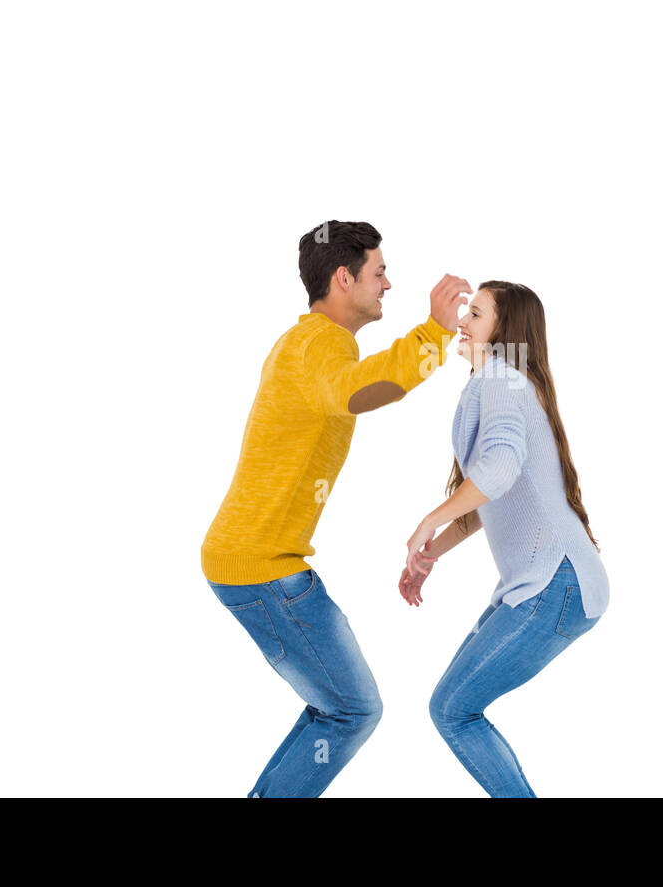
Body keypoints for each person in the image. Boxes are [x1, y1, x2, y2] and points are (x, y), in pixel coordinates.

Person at [202, 219, 468, 797]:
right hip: (264, 567)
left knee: (340, 708)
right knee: (353, 709)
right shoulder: (320, 344)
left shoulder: (309, 344)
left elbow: (351, 385)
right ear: (344, 278)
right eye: (379, 272)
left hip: (256, 560)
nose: (389, 285)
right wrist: (435, 333)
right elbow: (361, 390)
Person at [398, 280, 610, 797]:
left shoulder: (499, 381)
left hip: (554, 584)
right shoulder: (502, 383)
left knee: (453, 709)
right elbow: (490, 496)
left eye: (475, 314)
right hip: (552, 584)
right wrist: (433, 552)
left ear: (505, 331)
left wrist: (428, 519)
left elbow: (497, 469)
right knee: (454, 708)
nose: (461, 323)